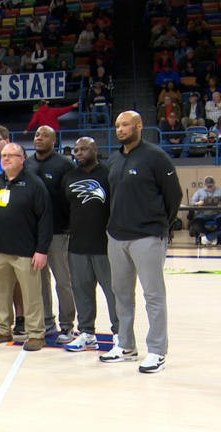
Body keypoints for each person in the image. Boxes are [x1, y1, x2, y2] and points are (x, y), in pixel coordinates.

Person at [99, 111, 182, 373]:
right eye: (117, 126)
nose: (120, 129)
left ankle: (157, 351)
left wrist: (160, 225)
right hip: (117, 236)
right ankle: (125, 345)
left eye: (125, 125)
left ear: (139, 126)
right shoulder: (113, 160)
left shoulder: (156, 156)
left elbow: (174, 195)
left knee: (153, 295)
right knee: (121, 294)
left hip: (147, 236)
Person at [0, 142, 52, 352]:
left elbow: (45, 219)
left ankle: (36, 333)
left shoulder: (34, 184)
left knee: (31, 295)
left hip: (26, 252)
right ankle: (2, 329)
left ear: (22, 159)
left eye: (11, 155)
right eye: (3, 155)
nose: (6, 159)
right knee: (1, 293)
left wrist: (42, 250)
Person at [61, 137, 119, 351]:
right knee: (82, 292)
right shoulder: (69, 177)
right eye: (76, 149)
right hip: (77, 246)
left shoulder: (108, 175)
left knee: (113, 293)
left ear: (95, 150)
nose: (78, 152)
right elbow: (64, 209)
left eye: (84, 149)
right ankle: (86, 333)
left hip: (105, 247)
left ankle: (120, 334)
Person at [24, 125, 76, 344]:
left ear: (54, 141)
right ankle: (46, 321)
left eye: (45, 135)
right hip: (33, 234)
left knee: (63, 281)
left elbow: (72, 199)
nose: (39, 138)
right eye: (36, 135)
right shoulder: (27, 164)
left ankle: (67, 325)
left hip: (58, 232)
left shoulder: (65, 165)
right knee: (39, 282)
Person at [190, 176, 221, 245]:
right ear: (205, 185)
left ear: (214, 184)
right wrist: (198, 203)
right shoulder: (199, 192)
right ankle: (213, 237)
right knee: (195, 223)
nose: (209, 187)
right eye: (208, 186)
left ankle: (208, 238)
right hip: (203, 214)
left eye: (211, 186)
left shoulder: (219, 191)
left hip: (217, 213)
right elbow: (192, 203)